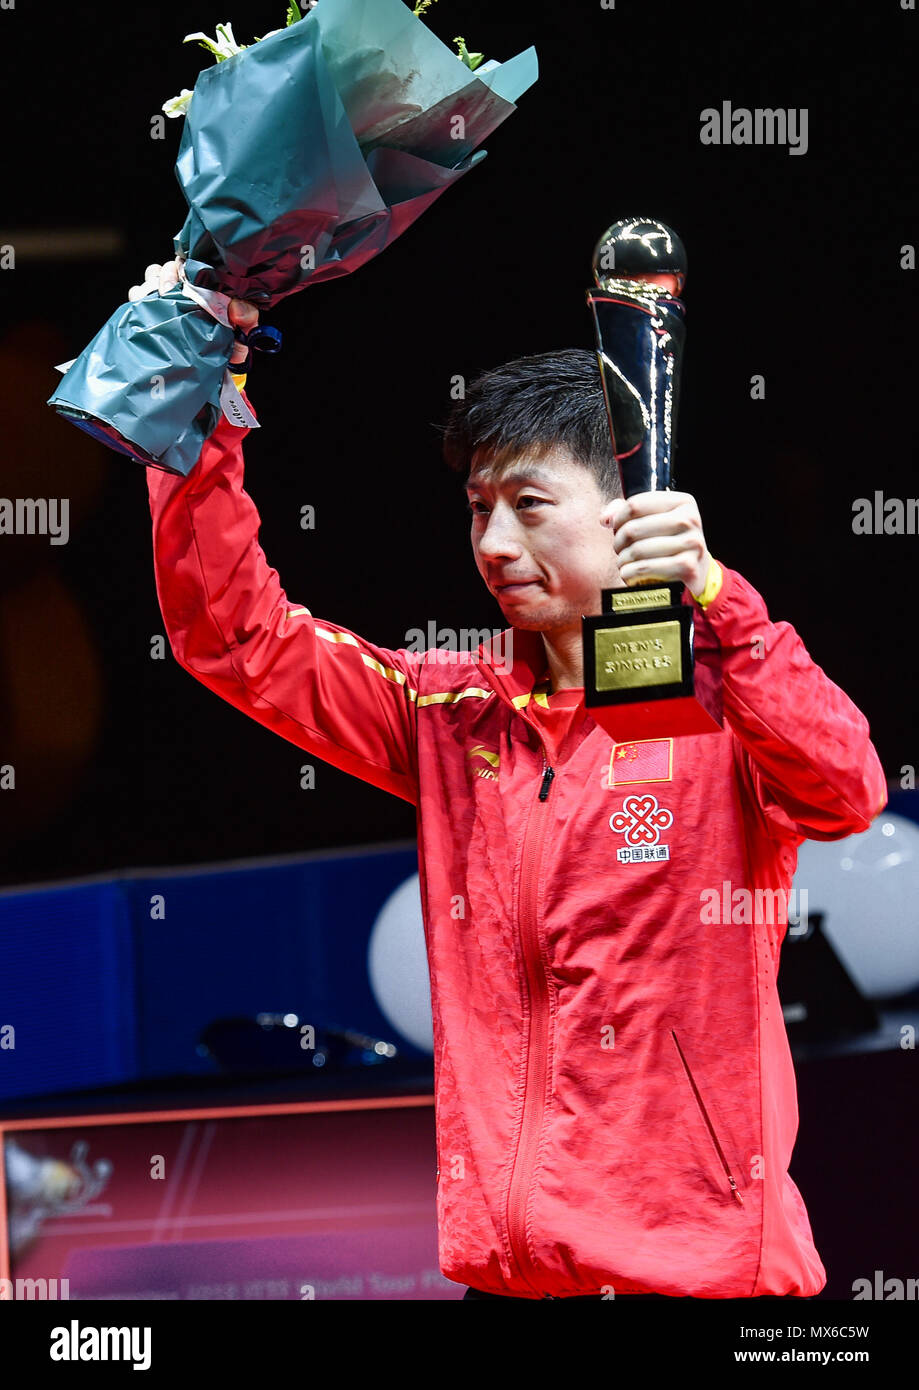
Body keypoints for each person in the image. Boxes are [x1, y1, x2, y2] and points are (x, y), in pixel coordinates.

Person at [136, 257, 886, 1301]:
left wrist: (718, 598)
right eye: (477, 506)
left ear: (629, 507)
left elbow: (847, 789)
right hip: (507, 1281)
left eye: (530, 505)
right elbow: (232, 634)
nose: (493, 542)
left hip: (703, 1283)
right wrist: (201, 392)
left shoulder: (726, 701)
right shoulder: (448, 712)